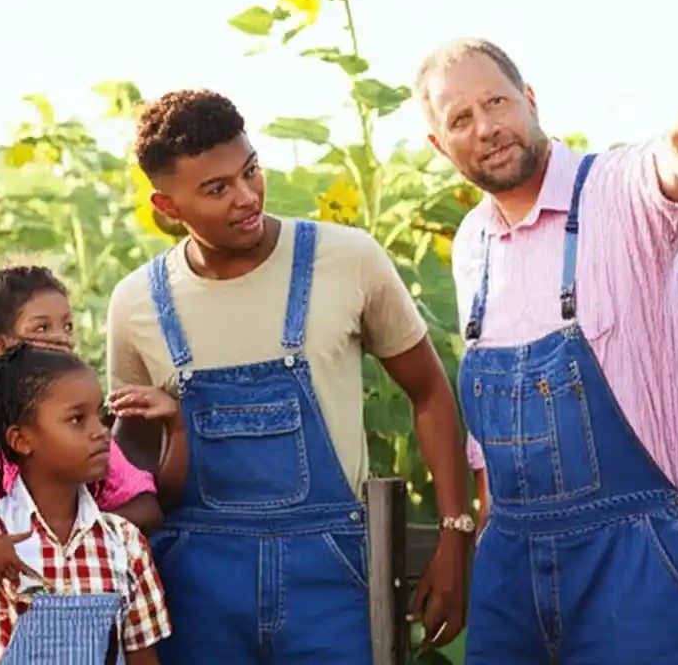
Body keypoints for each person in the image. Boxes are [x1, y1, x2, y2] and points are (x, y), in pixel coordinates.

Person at [107, 89, 472, 664]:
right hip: (196, 588)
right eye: (216, 189)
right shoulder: (137, 303)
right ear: (168, 206)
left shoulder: (348, 259)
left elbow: (428, 391)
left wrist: (456, 530)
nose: (247, 196)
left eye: (250, 170)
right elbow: (128, 471)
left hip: (331, 577)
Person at [415, 37, 678, 664]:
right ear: (440, 145)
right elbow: (486, 437)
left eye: (496, 102)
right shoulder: (470, 244)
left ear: (530, 101)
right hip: (508, 562)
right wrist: (481, 535)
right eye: (460, 119)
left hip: (634, 557)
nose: (485, 127)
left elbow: (670, 168)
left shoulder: (620, 192)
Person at [0, 344, 174, 664]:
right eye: (77, 419)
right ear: (21, 440)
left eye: (99, 416)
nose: (101, 432)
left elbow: (143, 658)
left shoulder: (126, 543)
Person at [0, 265, 167, 581]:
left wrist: (68, 539)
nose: (60, 339)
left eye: (67, 326)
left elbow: (145, 509)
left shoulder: (82, 423)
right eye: (41, 328)